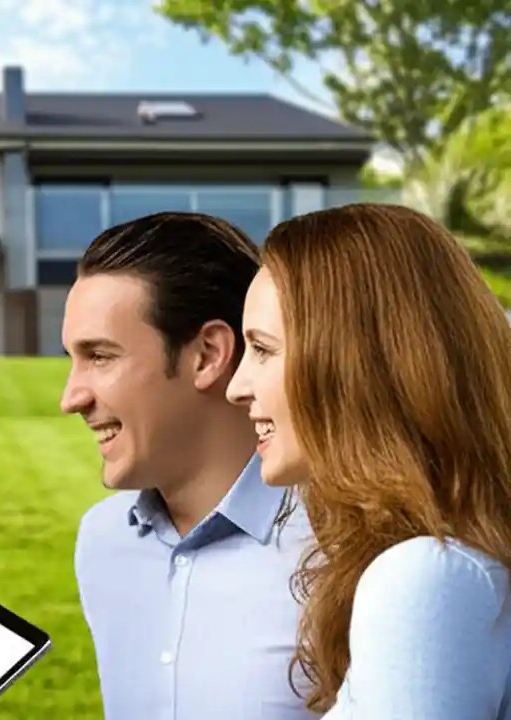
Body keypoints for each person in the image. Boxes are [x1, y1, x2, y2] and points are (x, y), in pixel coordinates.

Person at [226, 202, 511, 717]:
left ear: (352, 365)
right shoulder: (448, 566)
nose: (236, 387)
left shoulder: (424, 577)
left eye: (263, 350)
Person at [62, 212, 315, 719]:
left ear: (207, 355)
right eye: (72, 358)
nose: (71, 397)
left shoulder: (342, 545)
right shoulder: (103, 543)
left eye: (100, 356)